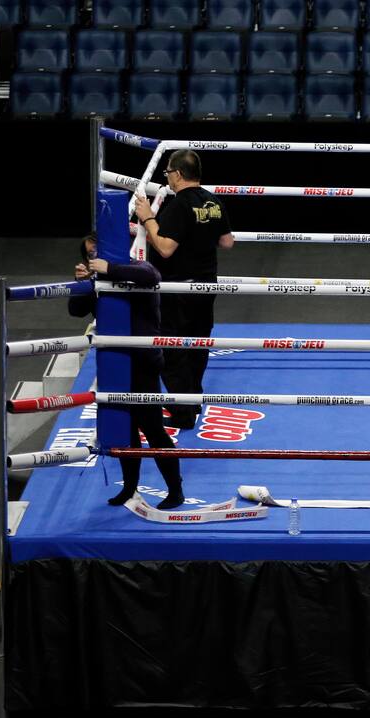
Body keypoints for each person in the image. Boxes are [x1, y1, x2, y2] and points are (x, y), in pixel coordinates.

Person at [72, 234, 186, 510]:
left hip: (143, 361)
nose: (95, 256)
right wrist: (81, 284)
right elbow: (76, 311)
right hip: (114, 360)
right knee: (125, 428)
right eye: (90, 254)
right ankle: (129, 487)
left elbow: (152, 275)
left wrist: (109, 269)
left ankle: (176, 490)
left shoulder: (136, 267)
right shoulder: (97, 281)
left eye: (98, 250)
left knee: (153, 428)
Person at [133, 149, 235, 430]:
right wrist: (198, 236)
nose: (167, 178)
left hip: (178, 287)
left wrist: (147, 218)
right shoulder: (214, 202)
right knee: (198, 344)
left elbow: (165, 248)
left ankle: (183, 411)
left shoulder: (179, 205)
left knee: (172, 348)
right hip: (206, 284)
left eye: (168, 172)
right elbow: (227, 242)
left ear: (177, 174)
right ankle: (192, 399)